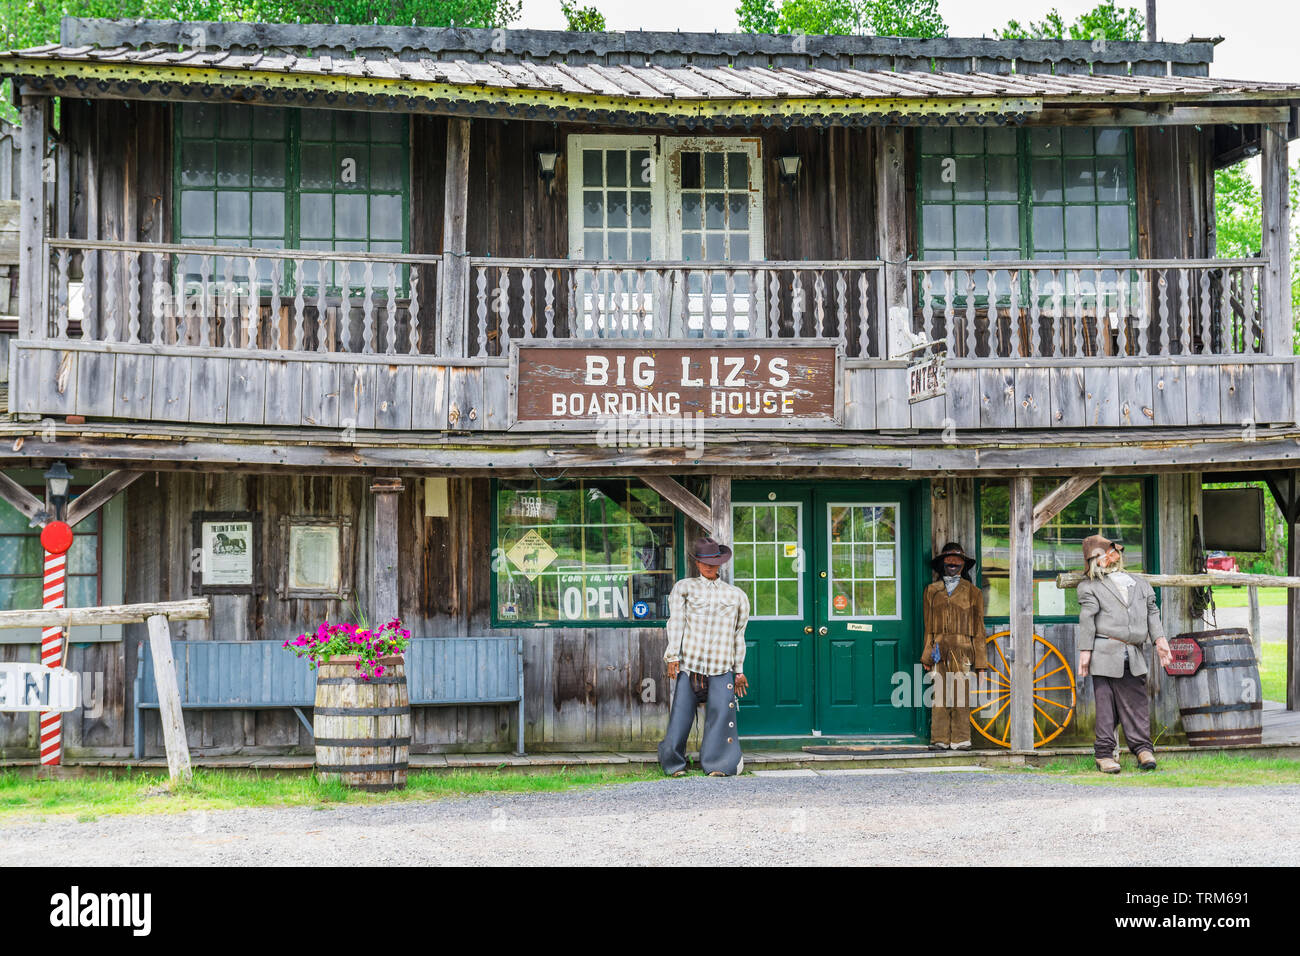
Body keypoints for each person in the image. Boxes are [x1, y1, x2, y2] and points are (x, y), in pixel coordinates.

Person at [1076, 534, 1173, 773]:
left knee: (1137, 703)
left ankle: (1142, 750)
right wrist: (1085, 652)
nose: (1109, 557)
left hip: (1134, 653)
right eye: (1100, 555)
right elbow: (1087, 619)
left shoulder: (1138, 583)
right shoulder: (1089, 586)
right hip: (1105, 652)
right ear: (1092, 561)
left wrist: (1160, 640)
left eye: (1111, 552)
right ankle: (1104, 754)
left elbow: (1152, 612)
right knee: (1105, 706)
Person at [657, 536, 750, 777]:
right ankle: (674, 763)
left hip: (721, 665)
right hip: (691, 663)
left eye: (713, 561)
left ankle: (718, 764)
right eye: (704, 561)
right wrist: (672, 656)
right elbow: (676, 622)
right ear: (697, 563)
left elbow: (739, 634)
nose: (709, 566)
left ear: (720, 563)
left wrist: (738, 670)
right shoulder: (685, 588)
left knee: (721, 715)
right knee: (681, 715)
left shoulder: (735, 595)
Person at [921, 542, 987, 751]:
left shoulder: (973, 592)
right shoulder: (932, 591)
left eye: (957, 562)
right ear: (942, 565)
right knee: (939, 695)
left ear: (963, 566)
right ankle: (939, 739)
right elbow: (928, 626)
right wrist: (927, 656)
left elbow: (979, 629)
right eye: (948, 562)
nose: (952, 565)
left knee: (960, 694)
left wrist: (981, 664)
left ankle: (961, 739)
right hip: (939, 650)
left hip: (963, 650)